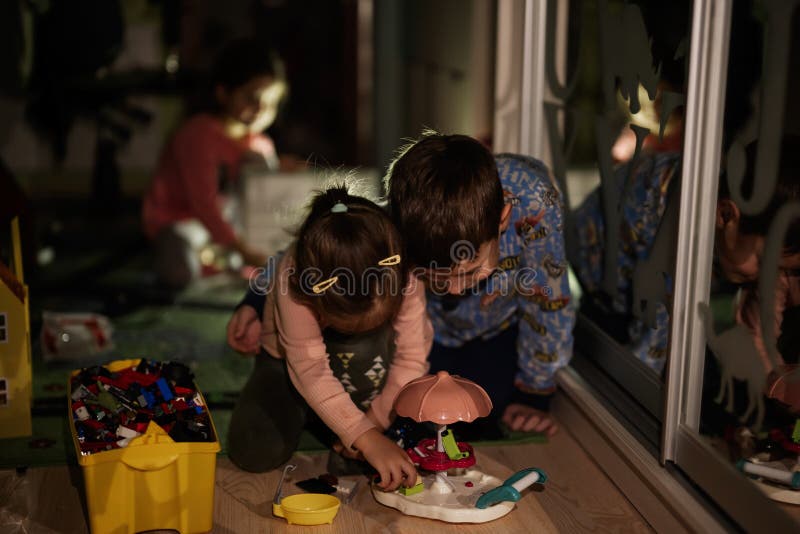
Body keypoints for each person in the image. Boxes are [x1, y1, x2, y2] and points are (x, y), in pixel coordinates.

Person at [231, 133, 576, 439]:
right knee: (406, 416)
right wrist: (258, 297)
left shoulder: (534, 202)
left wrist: (534, 393)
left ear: (502, 218)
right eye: (435, 275)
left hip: (496, 330)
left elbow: (548, 300)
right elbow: (317, 250)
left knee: (481, 414)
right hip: (421, 335)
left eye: (469, 271)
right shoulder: (401, 215)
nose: (454, 290)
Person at [227, 185, 431, 492]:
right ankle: (320, 417)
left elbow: (412, 358)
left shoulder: (402, 269)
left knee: (396, 437)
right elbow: (309, 370)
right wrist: (363, 436)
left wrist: (372, 426)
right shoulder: (292, 280)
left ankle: (334, 421)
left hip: (369, 363)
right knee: (254, 450)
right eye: (350, 324)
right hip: (286, 364)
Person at [141, 37, 287, 288]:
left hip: (228, 231)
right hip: (181, 225)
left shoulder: (260, 144)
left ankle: (225, 261)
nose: (261, 109)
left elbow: (263, 202)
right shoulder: (199, 134)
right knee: (180, 272)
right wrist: (244, 251)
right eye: (252, 98)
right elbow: (203, 205)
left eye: (271, 103)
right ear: (223, 92)